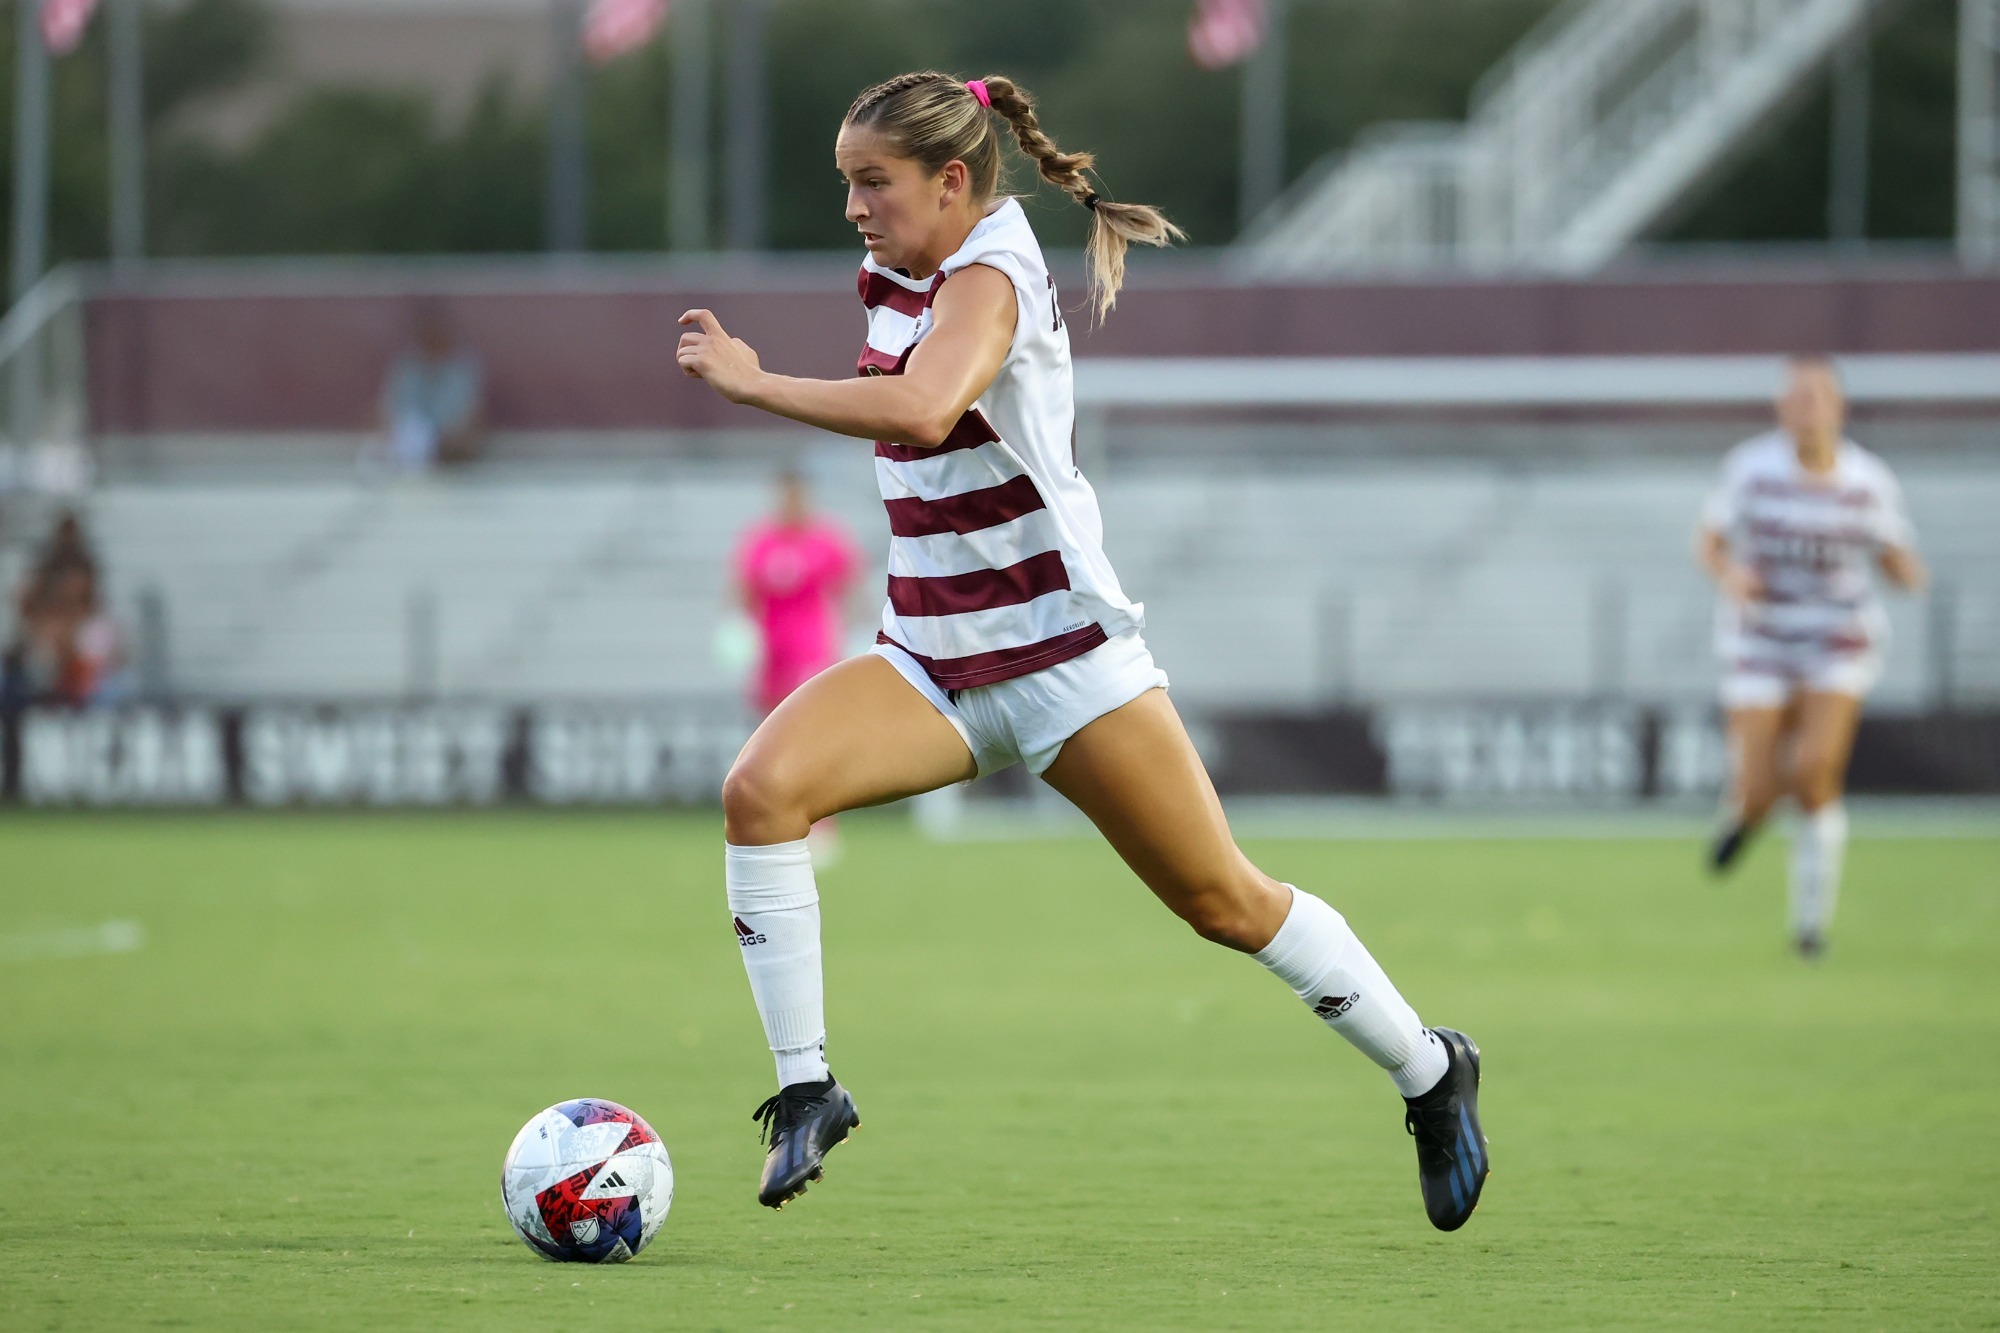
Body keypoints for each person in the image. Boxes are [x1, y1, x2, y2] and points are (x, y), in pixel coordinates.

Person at [674, 71, 1487, 1230]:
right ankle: (806, 1086)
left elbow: (920, 407)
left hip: (1062, 663)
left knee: (1224, 903)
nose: (853, 205)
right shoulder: (904, 265)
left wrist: (757, 386)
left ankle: (1427, 1069)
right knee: (759, 793)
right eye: (846, 182)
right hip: (933, 661)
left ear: (951, 180)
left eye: (874, 182)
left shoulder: (990, 276)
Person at [1695, 355, 1927, 958]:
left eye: (1818, 397)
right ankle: (1743, 816)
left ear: (1838, 407)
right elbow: (1710, 543)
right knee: (1759, 788)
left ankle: (1809, 929)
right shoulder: (1751, 468)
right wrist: (1732, 575)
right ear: (1782, 409)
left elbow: (1895, 554)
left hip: (1836, 636)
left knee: (1816, 773)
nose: (1808, 409)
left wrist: (1907, 571)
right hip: (1762, 636)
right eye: (1797, 398)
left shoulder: (1867, 481)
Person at [731, 470, 862, 859]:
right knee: (770, 743)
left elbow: (849, 590)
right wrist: (738, 631)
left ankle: (821, 824)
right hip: (772, 656)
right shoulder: (760, 542)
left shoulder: (826, 541)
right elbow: (744, 591)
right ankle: (776, 823)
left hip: (812, 653)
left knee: (810, 738)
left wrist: (858, 634)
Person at [375, 302, 485, 472]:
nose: (433, 339)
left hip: (449, 442)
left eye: (437, 334)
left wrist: (448, 438)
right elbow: (391, 411)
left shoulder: (461, 369)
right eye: (428, 335)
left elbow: (470, 414)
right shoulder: (407, 369)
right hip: (409, 439)